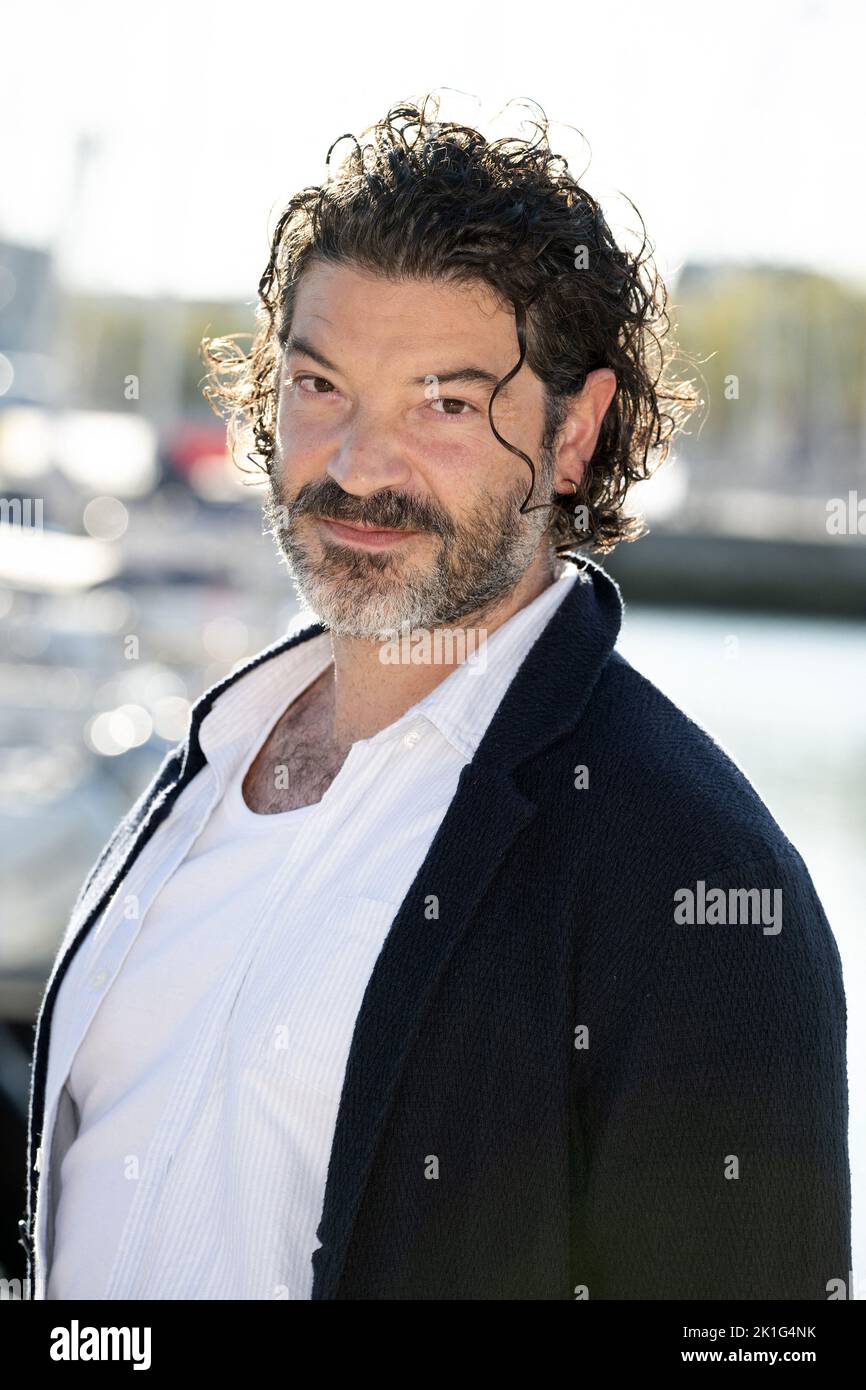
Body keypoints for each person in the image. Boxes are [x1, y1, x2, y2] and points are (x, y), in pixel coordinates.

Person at [23, 96, 850, 1301]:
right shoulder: (202, 760)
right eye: (320, 386)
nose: (358, 466)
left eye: (444, 405)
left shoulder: (692, 875)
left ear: (574, 434)